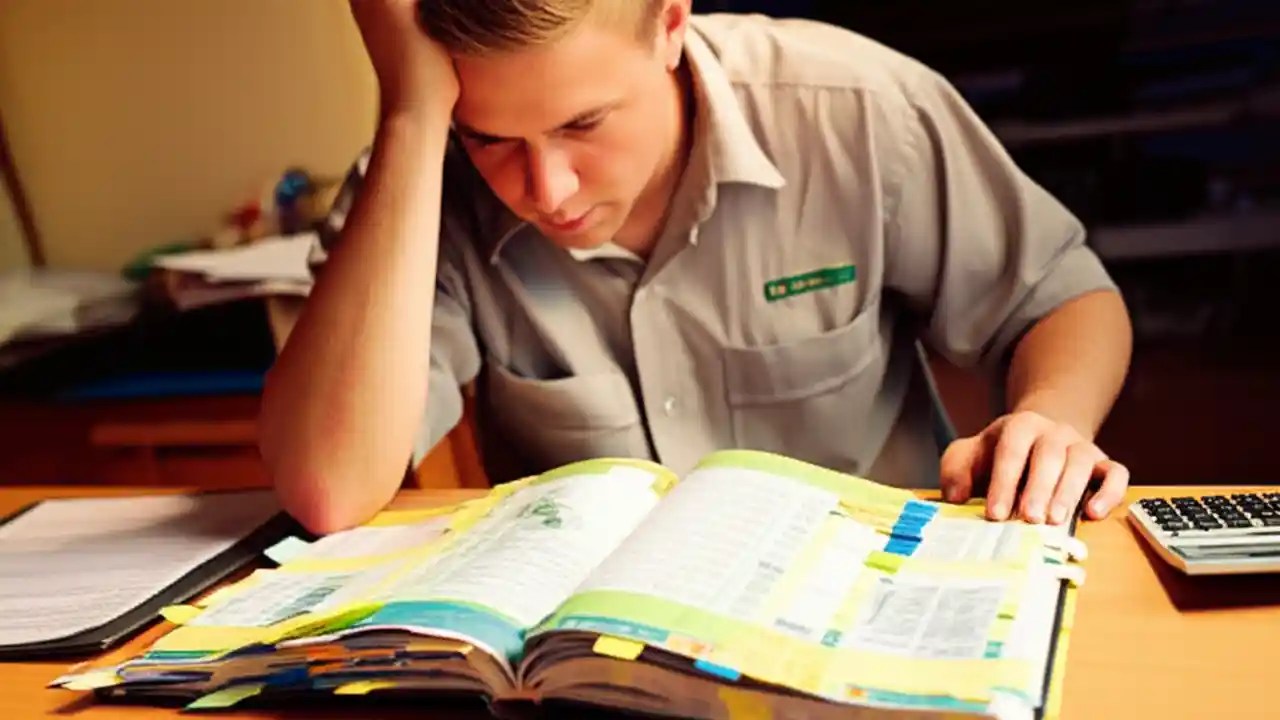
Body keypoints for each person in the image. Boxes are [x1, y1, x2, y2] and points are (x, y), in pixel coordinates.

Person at [260, 0, 1133, 535]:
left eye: (584, 123)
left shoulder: (861, 111)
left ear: (671, 24)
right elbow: (328, 489)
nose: (546, 189)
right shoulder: (422, 181)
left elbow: (1061, 297)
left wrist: (1052, 417)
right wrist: (414, 118)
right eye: (491, 138)